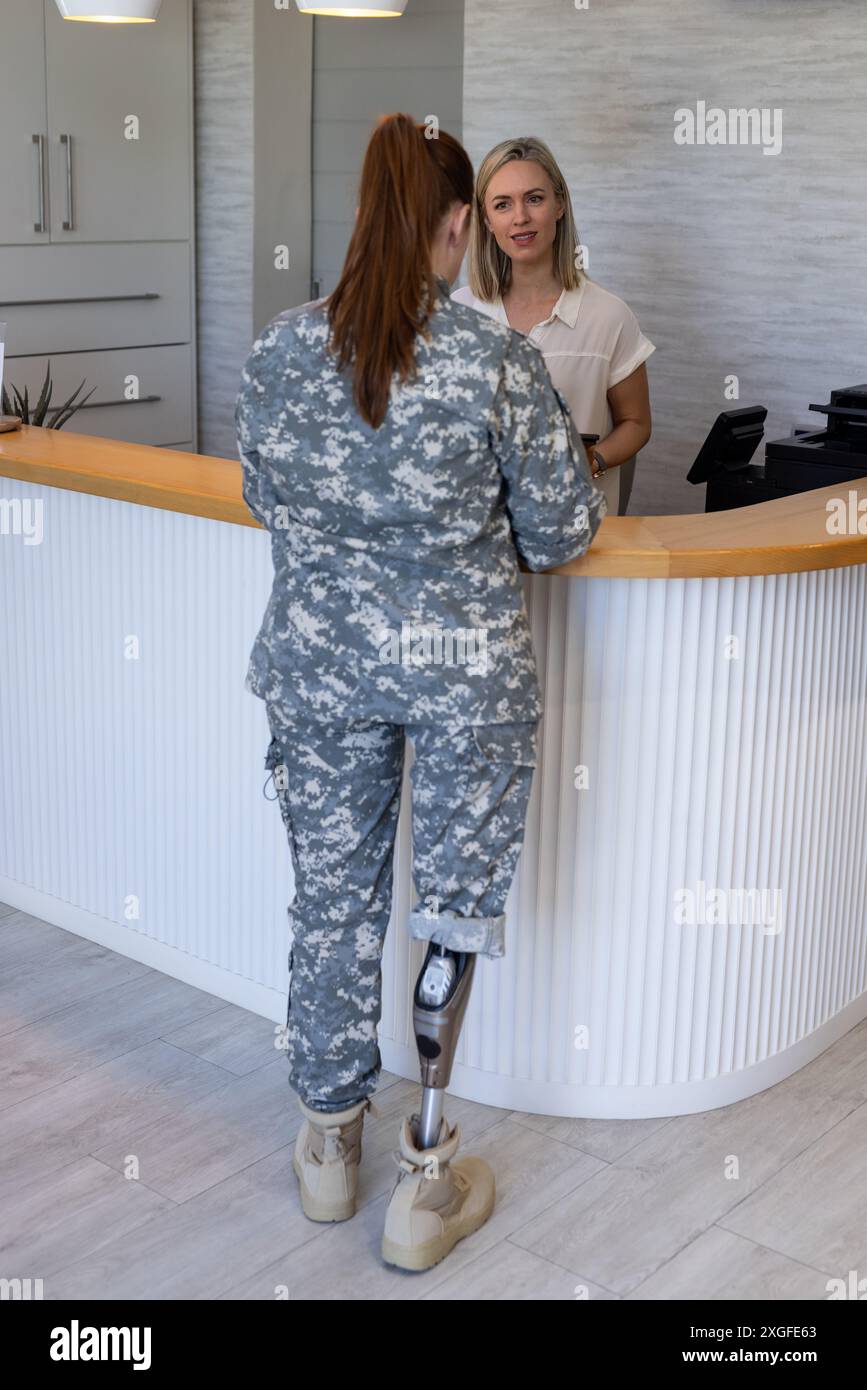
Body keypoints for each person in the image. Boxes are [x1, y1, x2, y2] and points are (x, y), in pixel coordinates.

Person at [234, 113, 606, 1273]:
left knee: (332, 905)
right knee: (447, 913)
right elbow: (558, 535)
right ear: (457, 226)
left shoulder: (278, 353)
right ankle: (424, 1183)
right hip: (463, 684)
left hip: (322, 671)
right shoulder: (497, 362)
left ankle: (328, 1152)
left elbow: (262, 497)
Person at [452, 135, 654, 516]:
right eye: (502, 204)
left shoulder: (609, 315)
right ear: (486, 219)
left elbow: (637, 422)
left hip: (579, 534)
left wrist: (590, 462)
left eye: (534, 198)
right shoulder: (459, 312)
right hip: (481, 538)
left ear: (559, 205)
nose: (520, 217)